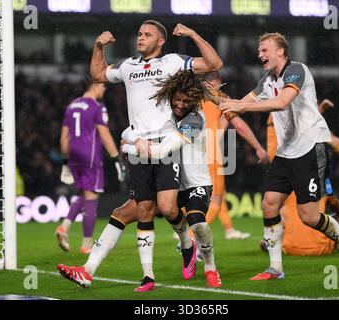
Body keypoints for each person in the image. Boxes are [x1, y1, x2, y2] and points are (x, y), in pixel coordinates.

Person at [89, 20, 223, 291]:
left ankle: (198, 257)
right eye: (139, 33)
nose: (140, 37)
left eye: (147, 34)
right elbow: (99, 75)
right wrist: (98, 46)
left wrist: (193, 34)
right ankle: (147, 273)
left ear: (161, 41)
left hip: (162, 149)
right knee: (146, 211)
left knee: (166, 209)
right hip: (140, 150)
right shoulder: (128, 66)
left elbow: (213, 63)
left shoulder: (173, 62)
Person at [57, 70, 222, 290]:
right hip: (169, 182)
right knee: (121, 214)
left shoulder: (195, 119)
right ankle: (87, 271)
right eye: (177, 99)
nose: (180, 104)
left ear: (193, 101)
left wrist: (127, 147)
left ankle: (210, 267)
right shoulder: (167, 116)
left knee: (198, 223)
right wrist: (134, 139)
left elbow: (163, 150)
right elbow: (129, 131)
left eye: (185, 101)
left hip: (194, 184)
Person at [218, 32, 339, 280]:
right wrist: (217, 102)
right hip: (286, 152)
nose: (260, 54)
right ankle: (275, 269)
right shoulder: (266, 80)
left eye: (265, 50)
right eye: (259, 50)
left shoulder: (296, 70)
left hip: (309, 148)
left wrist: (238, 106)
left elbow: (282, 102)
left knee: (309, 217)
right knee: (269, 203)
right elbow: (239, 103)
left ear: (280, 52)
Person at [260, 98, 339, 256]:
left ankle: (275, 264)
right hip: (322, 248)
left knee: (274, 210)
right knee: (332, 211)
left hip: (289, 247)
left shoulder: (281, 191)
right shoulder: (317, 177)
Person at [55, 80, 126, 254]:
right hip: (90, 157)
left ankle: (64, 228)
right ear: (95, 86)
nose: (104, 90)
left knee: (83, 194)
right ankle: (86, 245)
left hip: (74, 157)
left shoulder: (71, 106)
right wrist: (117, 158)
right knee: (92, 197)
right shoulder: (96, 106)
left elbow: (64, 137)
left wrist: (65, 162)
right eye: (103, 86)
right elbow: (104, 133)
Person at [201, 71, 268, 241]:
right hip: (210, 152)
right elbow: (239, 126)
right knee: (215, 202)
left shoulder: (191, 95)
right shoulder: (220, 97)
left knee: (217, 193)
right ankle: (191, 238)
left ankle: (229, 229)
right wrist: (258, 148)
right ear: (216, 83)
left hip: (189, 151)